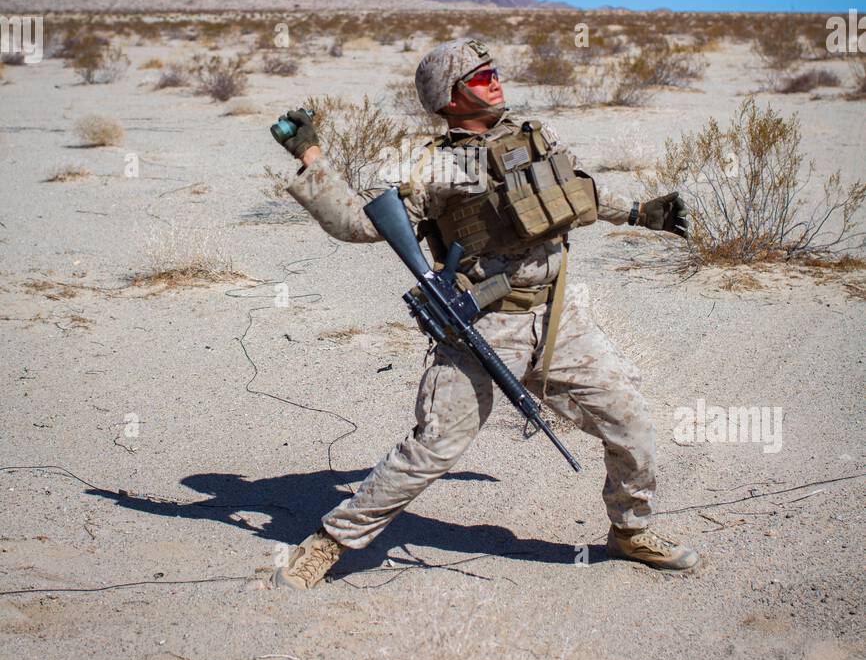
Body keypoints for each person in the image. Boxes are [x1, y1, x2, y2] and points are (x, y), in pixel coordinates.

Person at [269, 37, 698, 589]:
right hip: (482, 327)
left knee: (632, 424)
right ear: (449, 98)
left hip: (560, 318)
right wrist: (312, 158)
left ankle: (630, 531)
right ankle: (331, 542)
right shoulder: (435, 167)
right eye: (479, 76)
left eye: (494, 69)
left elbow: (578, 189)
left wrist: (641, 212)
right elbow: (359, 223)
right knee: (432, 448)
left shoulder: (533, 135)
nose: (494, 80)